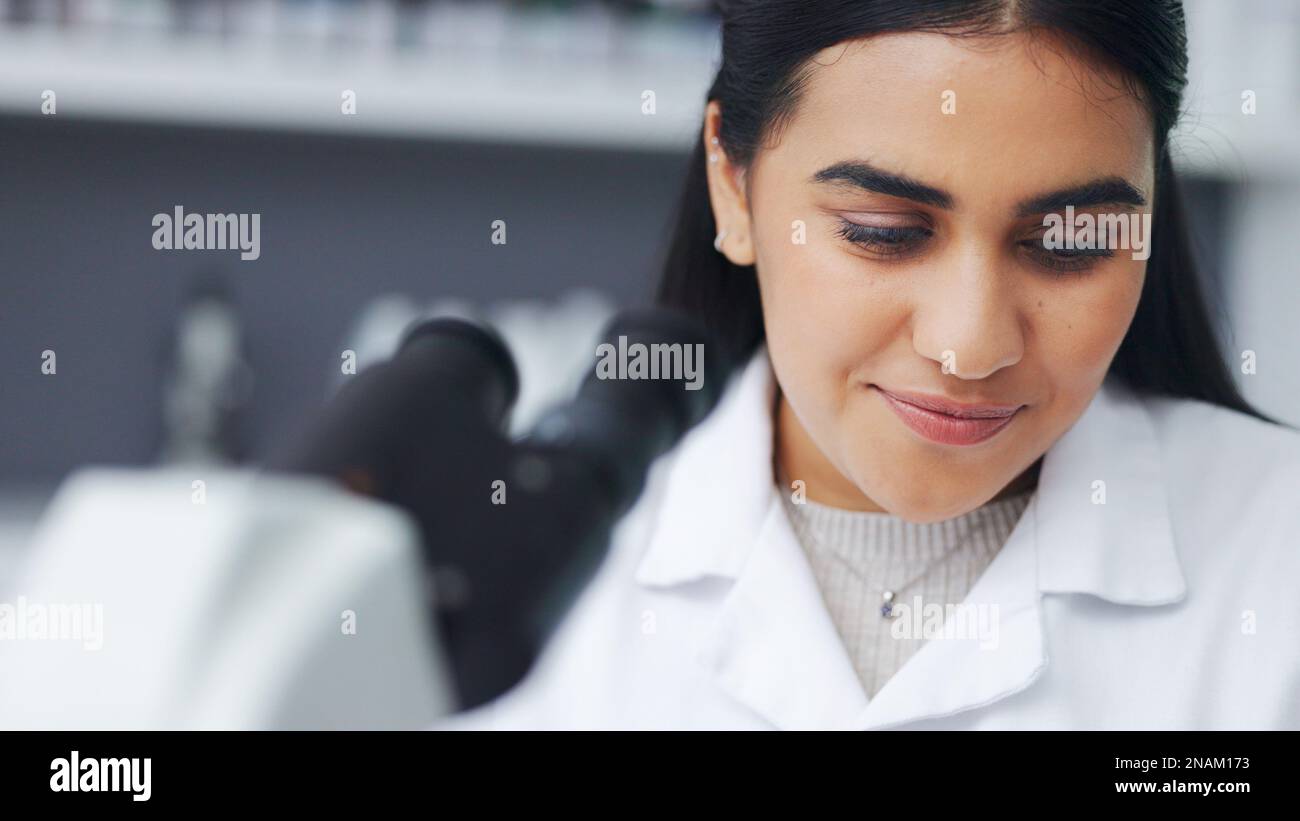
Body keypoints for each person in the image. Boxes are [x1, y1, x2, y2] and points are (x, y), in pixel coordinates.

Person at [439, 0, 1300, 730]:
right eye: (883, 233)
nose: (969, 346)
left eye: (1070, 243)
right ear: (733, 187)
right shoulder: (512, 564)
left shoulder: (1274, 556)